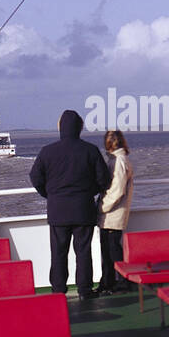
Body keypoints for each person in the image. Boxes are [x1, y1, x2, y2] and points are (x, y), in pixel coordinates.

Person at [29, 109, 111, 298]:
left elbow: (35, 177)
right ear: (79, 128)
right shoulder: (90, 150)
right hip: (83, 209)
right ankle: (84, 290)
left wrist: (50, 194)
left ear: (60, 128)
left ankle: (58, 290)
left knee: (58, 253)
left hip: (58, 210)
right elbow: (103, 179)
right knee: (83, 252)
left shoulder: (47, 151)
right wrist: (88, 193)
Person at [97, 130, 134, 294]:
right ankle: (109, 281)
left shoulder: (118, 161)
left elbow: (118, 190)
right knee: (110, 248)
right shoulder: (120, 159)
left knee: (112, 249)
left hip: (113, 214)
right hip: (114, 213)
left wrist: (102, 207)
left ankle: (120, 282)